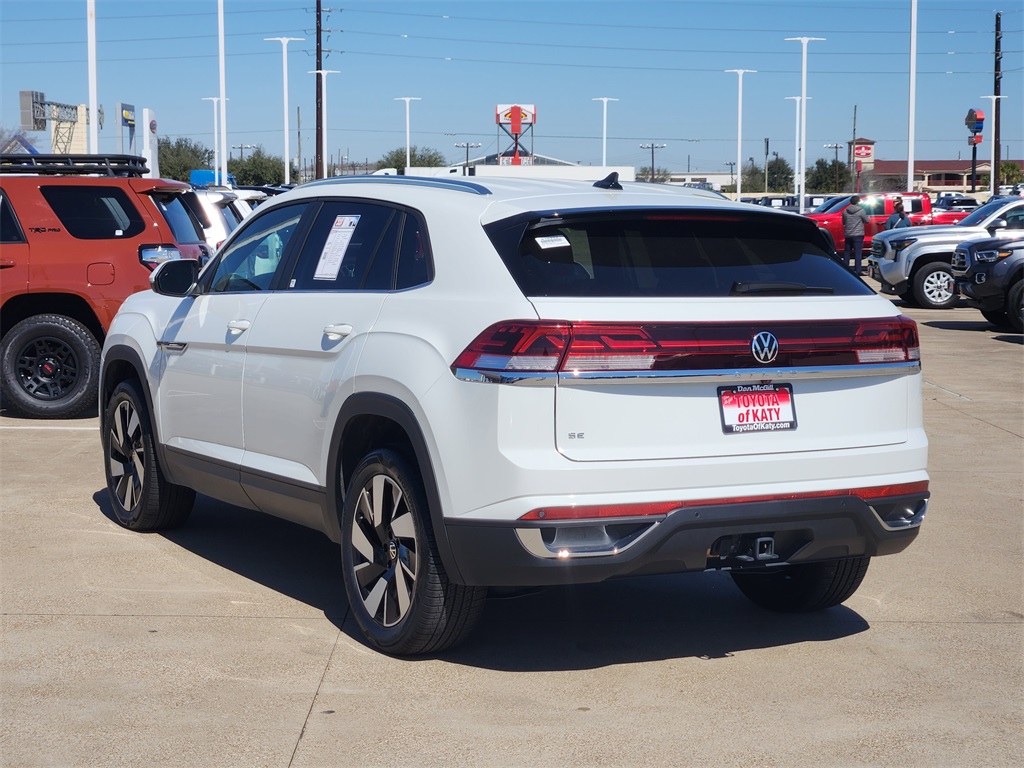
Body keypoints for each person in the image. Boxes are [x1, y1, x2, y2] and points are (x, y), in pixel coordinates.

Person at [842, 195, 872, 275]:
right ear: (858, 202)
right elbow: (867, 221)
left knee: (847, 252)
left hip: (848, 234)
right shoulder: (861, 211)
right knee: (858, 253)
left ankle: (845, 269)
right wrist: (869, 218)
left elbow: (844, 222)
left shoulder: (845, 211)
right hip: (858, 234)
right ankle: (858, 270)